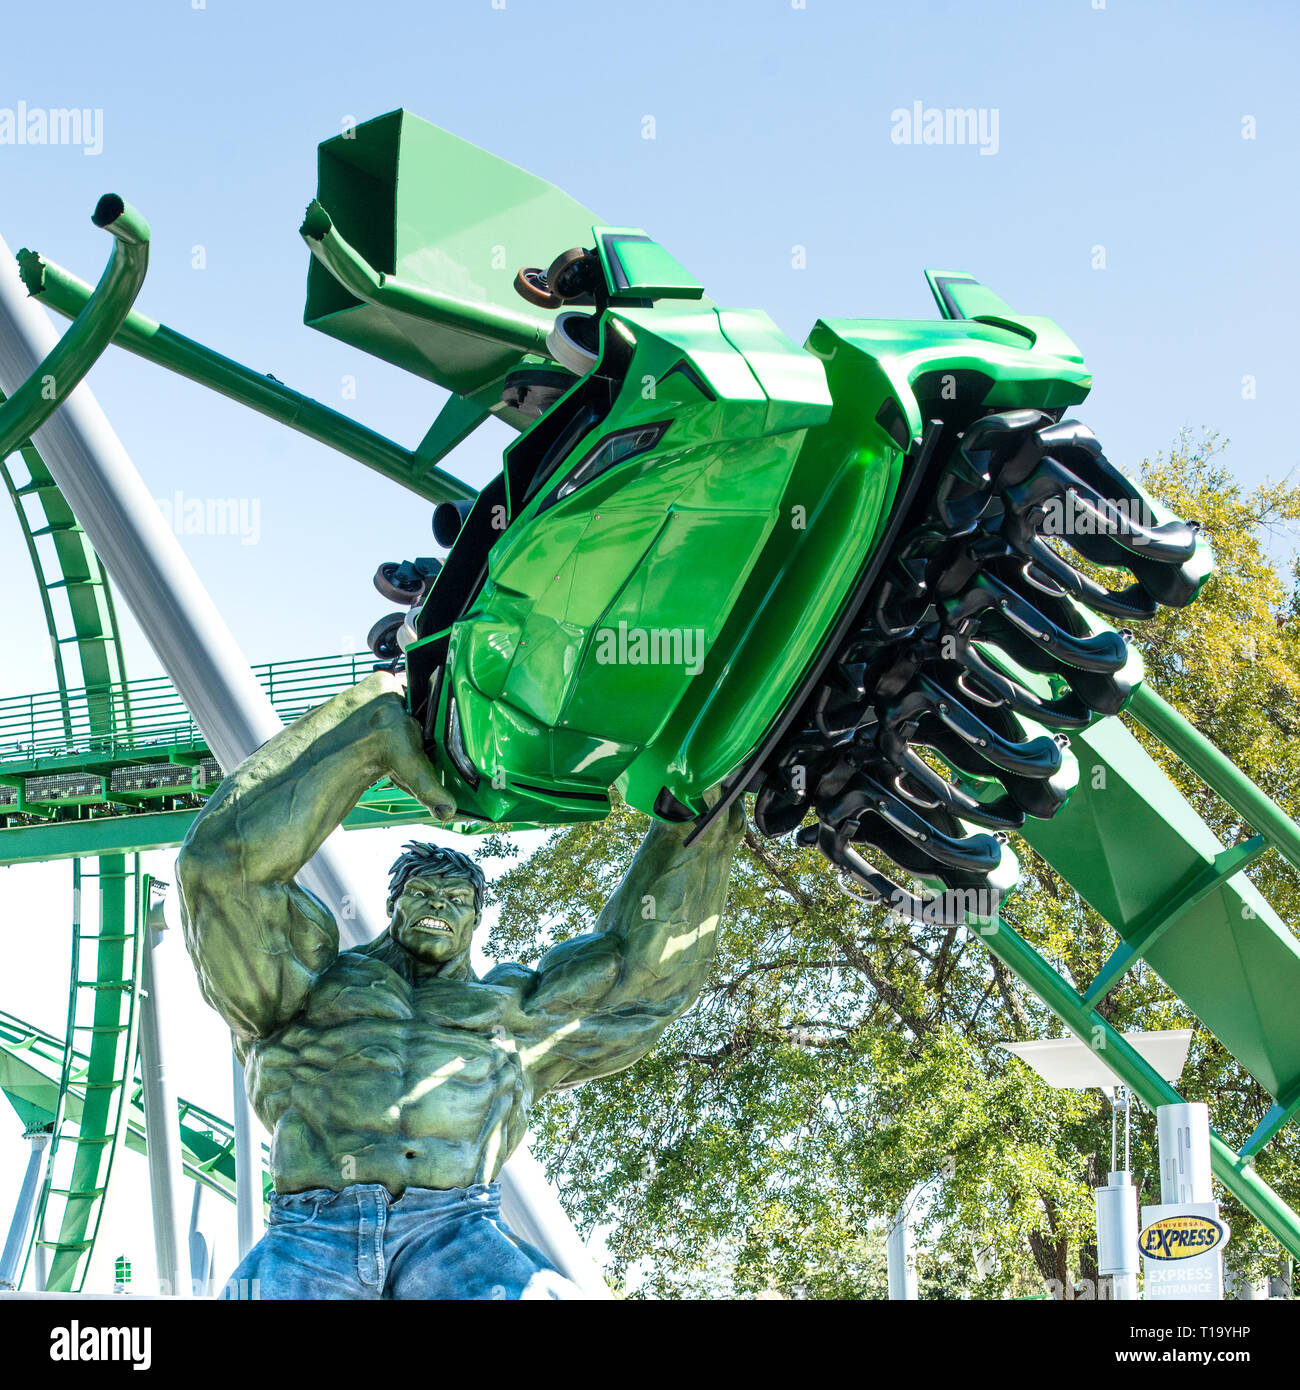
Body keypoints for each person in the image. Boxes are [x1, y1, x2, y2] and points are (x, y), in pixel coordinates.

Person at [176, 670, 745, 1299]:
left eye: (455, 899)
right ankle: (374, 730)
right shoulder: (309, 987)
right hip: (312, 1231)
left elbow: (642, 977)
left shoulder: (512, 1013)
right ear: (393, 904)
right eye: (420, 893)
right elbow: (219, 870)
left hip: (455, 1229)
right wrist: (363, 741)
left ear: (476, 920)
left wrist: (692, 823)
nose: (437, 907)